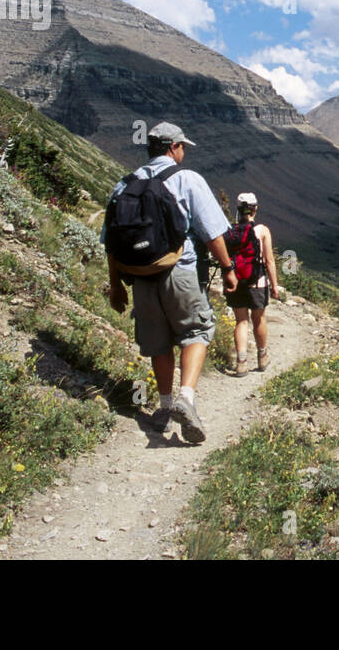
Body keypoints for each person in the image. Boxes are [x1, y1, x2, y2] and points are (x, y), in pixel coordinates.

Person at [103, 122, 237, 443]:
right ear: (172, 147)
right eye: (183, 147)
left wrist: (117, 286)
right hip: (180, 270)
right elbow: (213, 232)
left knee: (158, 342)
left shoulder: (124, 186)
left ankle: (163, 408)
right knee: (196, 331)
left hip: (140, 277)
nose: (184, 152)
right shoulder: (187, 179)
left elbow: (112, 243)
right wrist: (228, 268)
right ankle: (186, 399)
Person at [224, 192, 279, 376]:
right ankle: (262, 357)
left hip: (236, 281)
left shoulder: (230, 231)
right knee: (259, 319)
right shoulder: (262, 231)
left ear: (238, 209)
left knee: (241, 321)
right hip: (257, 282)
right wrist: (274, 285)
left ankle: (241, 363)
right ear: (255, 209)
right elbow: (269, 261)